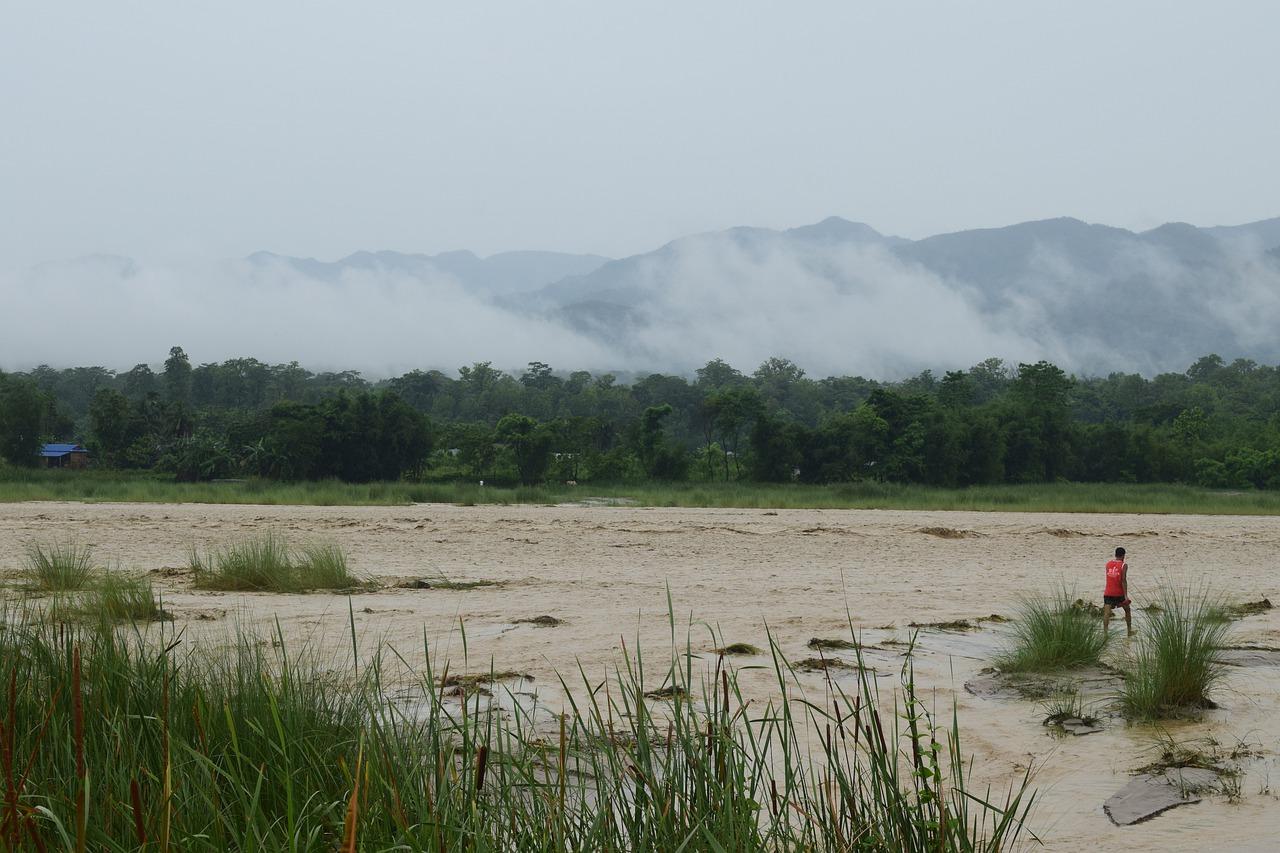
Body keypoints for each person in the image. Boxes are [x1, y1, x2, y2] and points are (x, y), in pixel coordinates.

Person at [1102, 547, 1132, 636]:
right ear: (1123, 555)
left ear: (1115, 554)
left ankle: (1105, 633)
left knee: (1106, 613)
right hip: (1119, 593)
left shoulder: (1108, 564)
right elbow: (1123, 580)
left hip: (1108, 592)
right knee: (1127, 610)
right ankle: (1129, 631)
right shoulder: (1124, 565)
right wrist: (1126, 596)